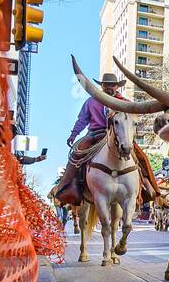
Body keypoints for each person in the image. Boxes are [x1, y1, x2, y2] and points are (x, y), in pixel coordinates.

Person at [51, 71, 124, 206]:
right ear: (102, 86)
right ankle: (66, 188)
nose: (109, 87)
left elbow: (130, 119)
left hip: (117, 136)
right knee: (76, 154)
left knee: (138, 154)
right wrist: (73, 134)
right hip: (95, 134)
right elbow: (82, 120)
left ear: (117, 87)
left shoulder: (124, 102)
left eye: (112, 85)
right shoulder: (91, 101)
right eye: (106, 85)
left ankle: (149, 188)